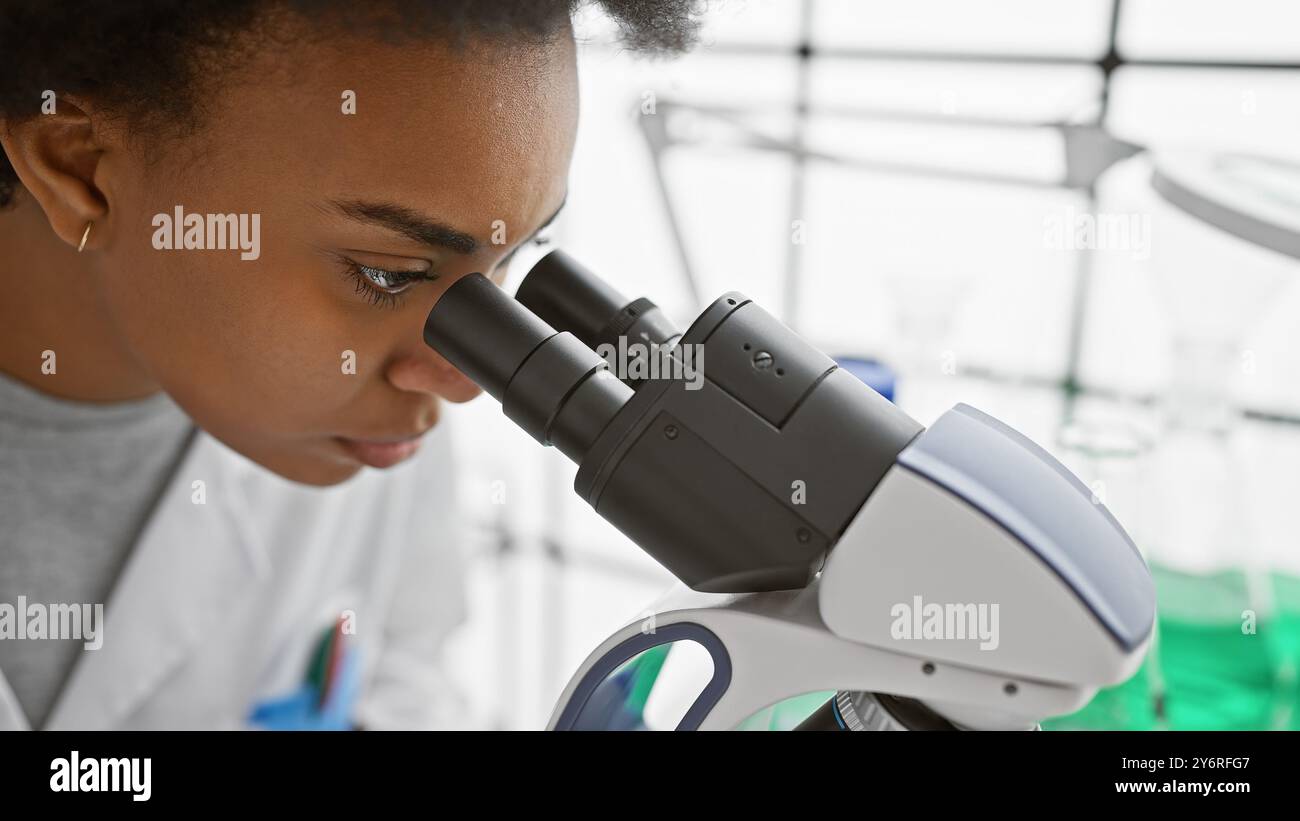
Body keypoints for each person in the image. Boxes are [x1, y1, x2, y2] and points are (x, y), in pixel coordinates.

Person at [0, 0, 700, 730]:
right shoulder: (346, 393)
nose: (464, 381)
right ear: (77, 166)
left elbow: (407, 680)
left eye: (511, 258)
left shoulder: (367, 419)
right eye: (388, 274)